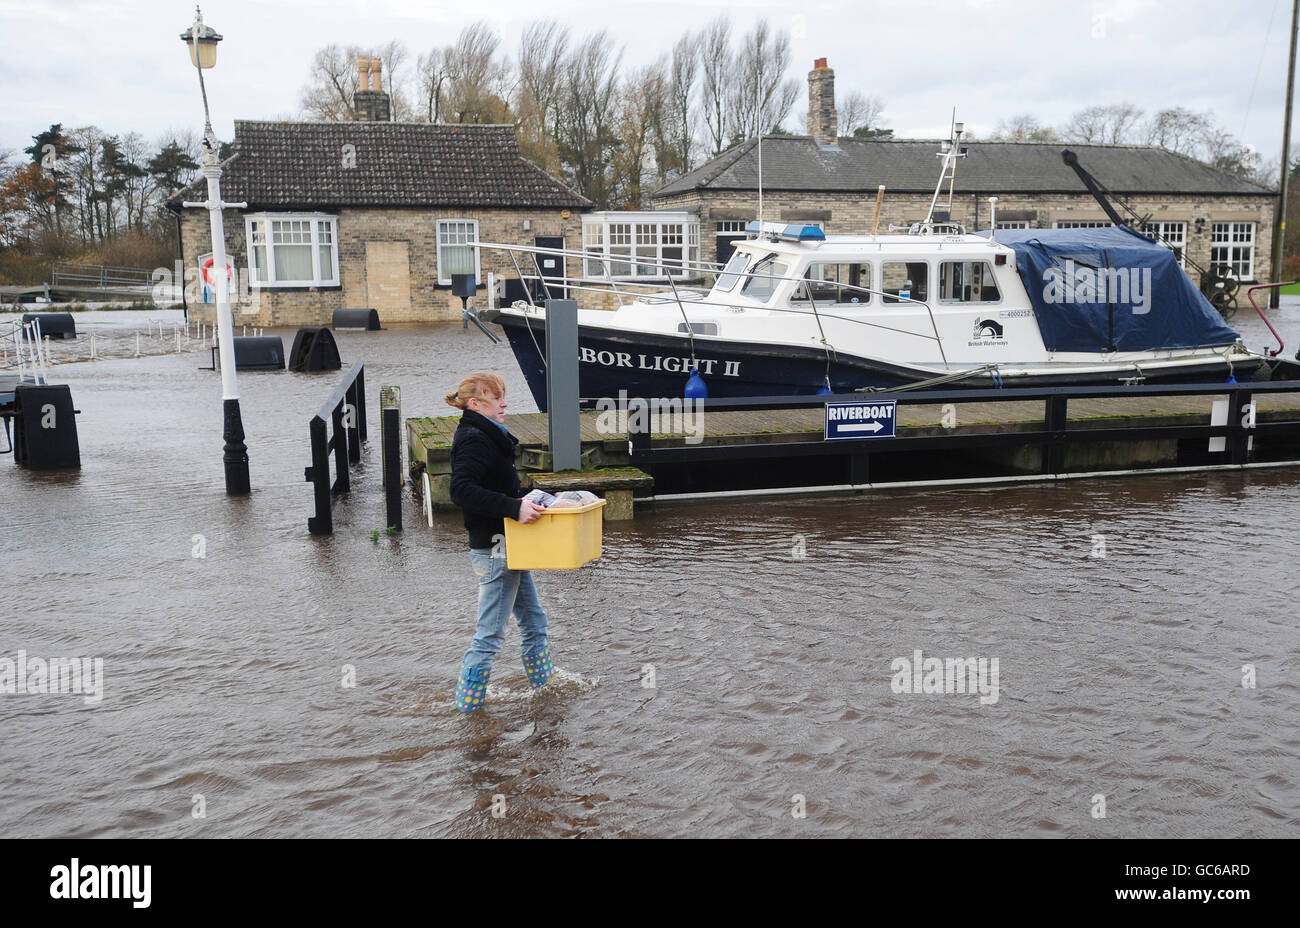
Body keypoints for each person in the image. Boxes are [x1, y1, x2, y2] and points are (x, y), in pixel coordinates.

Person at [445, 371, 555, 712]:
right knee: (490, 635)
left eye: (504, 396)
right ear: (476, 404)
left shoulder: (489, 435)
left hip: (511, 545)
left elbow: (504, 490)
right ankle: (466, 710)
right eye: (498, 398)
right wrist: (513, 507)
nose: (505, 403)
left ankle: (545, 690)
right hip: (495, 549)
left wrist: (542, 499)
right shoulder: (475, 438)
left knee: (534, 622)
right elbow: (460, 490)